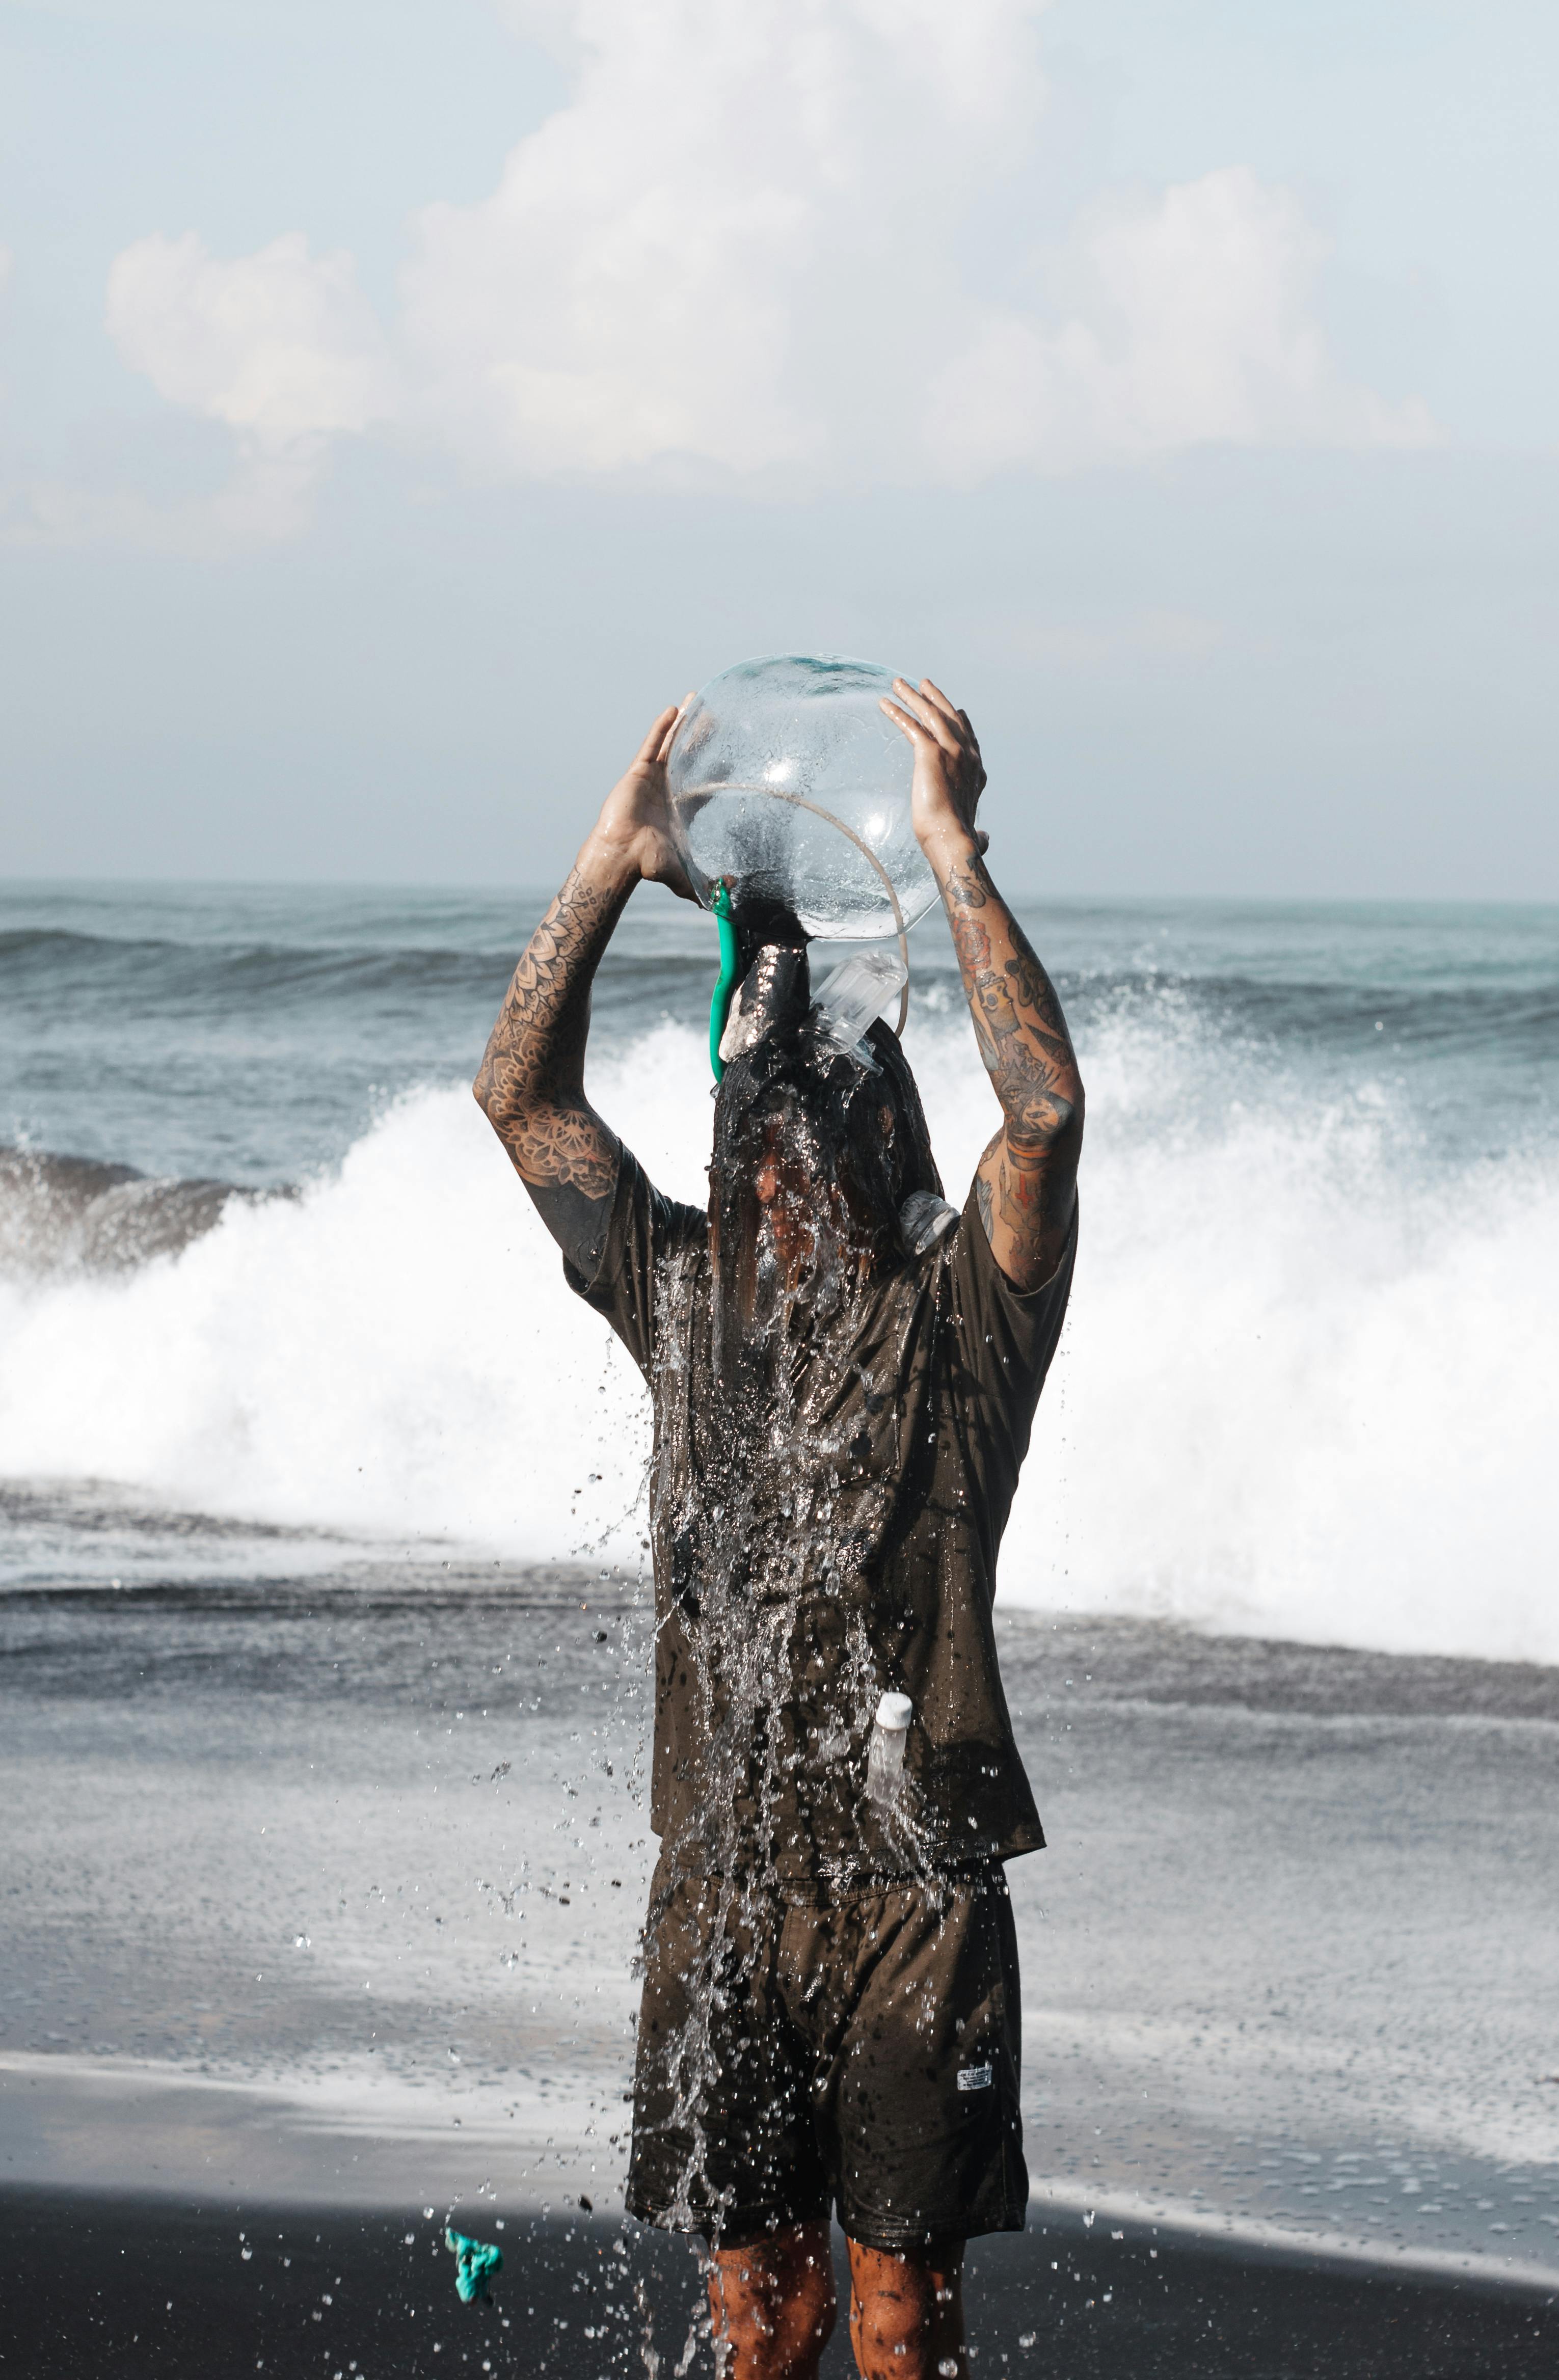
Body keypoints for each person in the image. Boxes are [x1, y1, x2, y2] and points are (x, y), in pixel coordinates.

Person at [475, 678, 1083, 2379]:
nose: (778, 1169)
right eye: (755, 1147)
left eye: (825, 1136)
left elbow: (1037, 1120)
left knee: (897, 2325)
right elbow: (517, 1100)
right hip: (724, 1881)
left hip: (913, 1892)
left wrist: (953, 854)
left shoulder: (963, 1328)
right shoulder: (678, 1301)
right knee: (763, 2320)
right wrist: (610, 864)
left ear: (890, 1154)